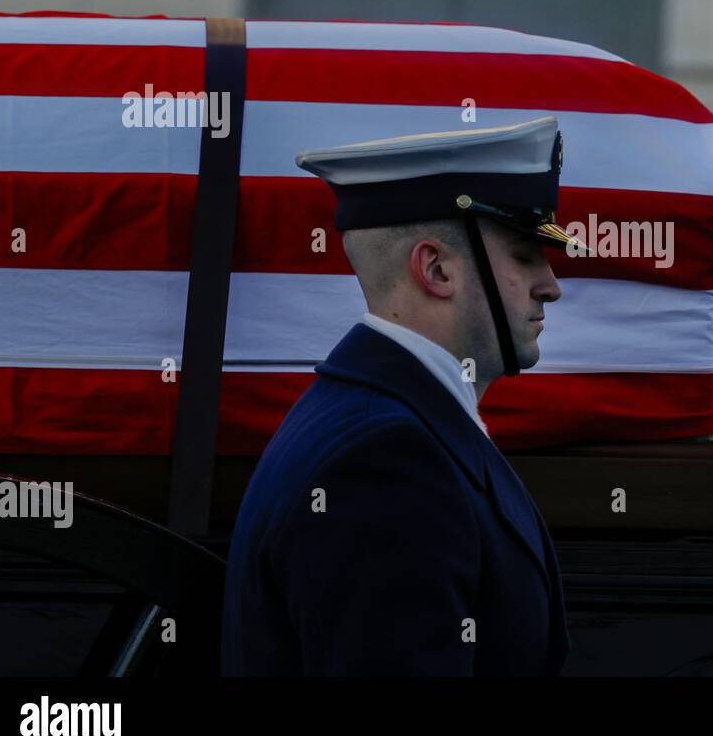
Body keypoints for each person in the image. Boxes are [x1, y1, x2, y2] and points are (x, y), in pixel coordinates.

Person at [223, 117, 586, 675]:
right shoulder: (383, 460)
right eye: (524, 255)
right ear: (436, 269)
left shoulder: (392, 421)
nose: (551, 285)